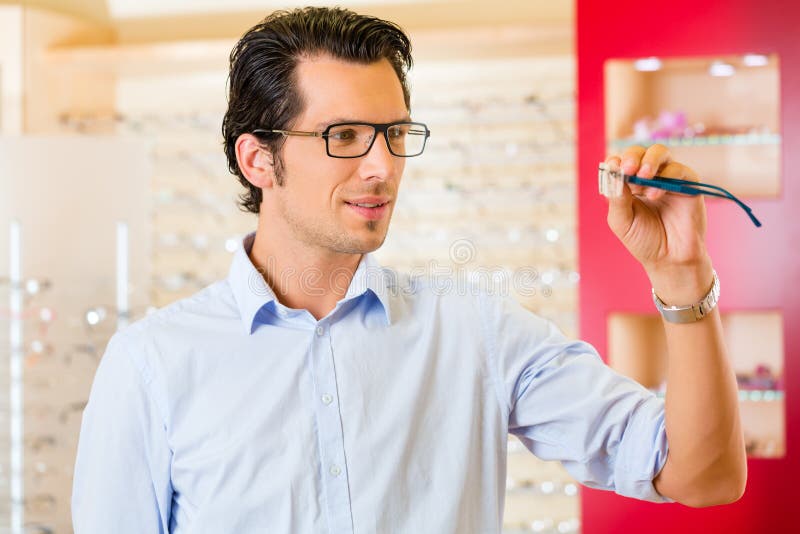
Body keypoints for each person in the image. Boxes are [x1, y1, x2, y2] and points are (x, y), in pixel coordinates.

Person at [71, 6, 746, 533]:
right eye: (344, 136)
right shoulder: (152, 365)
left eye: (394, 134)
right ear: (258, 160)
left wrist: (682, 275)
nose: (381, 167)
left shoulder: (475, 333)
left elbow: (704, 475)